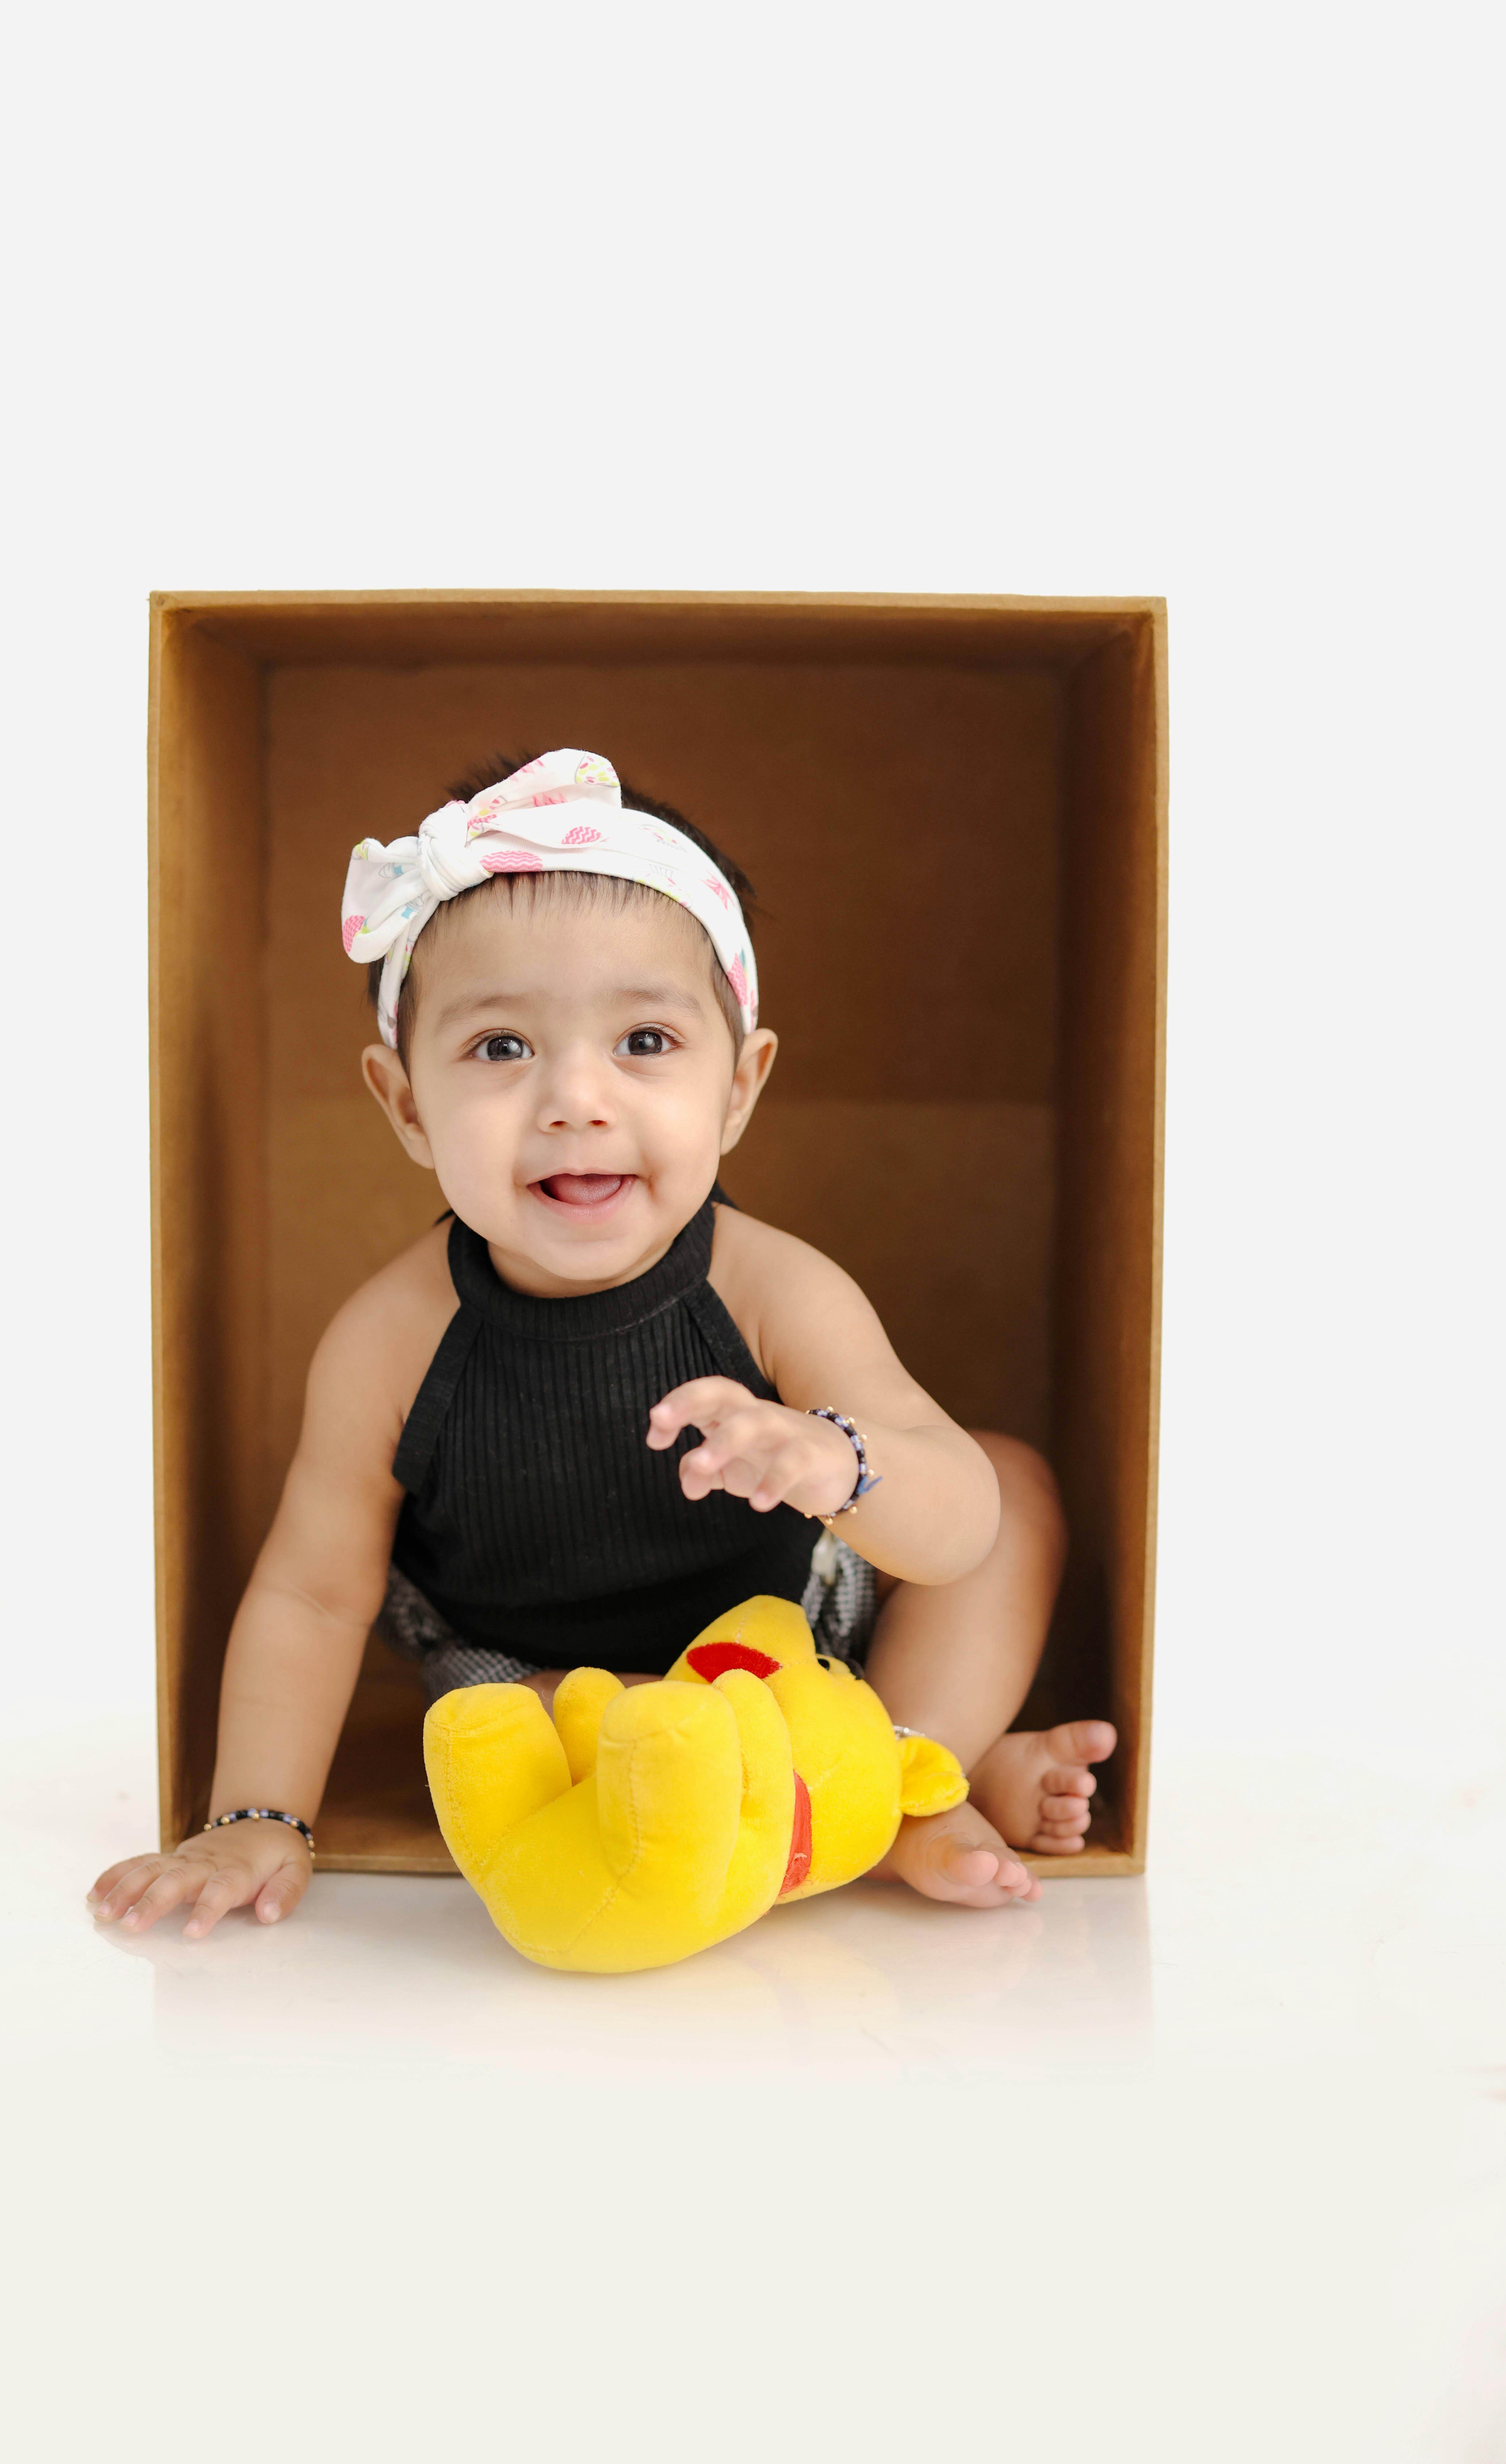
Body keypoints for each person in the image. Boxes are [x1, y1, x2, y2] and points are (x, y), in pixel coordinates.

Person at [88, 749, 1115, 1941]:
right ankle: (872, 1799)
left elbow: (955, 1523)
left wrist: (838, 1461)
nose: (577, 1098)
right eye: (501, 1049)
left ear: (739, 1085)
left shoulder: (778, 1288)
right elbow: (314, 1593)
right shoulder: (389, 1338)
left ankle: (908, 1763)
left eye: (643, 1042)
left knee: (1014, 1492)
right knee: (533, 1735)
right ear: (405, 1103)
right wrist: (256, 1812)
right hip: (547, 1679)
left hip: (808, 1646)